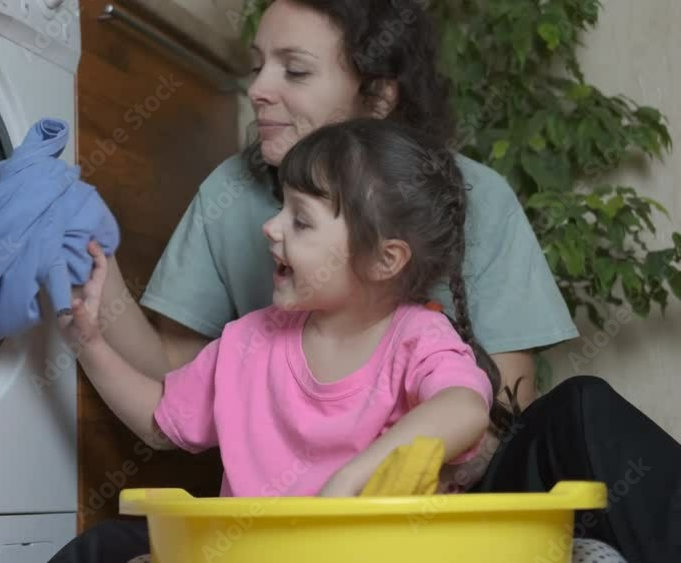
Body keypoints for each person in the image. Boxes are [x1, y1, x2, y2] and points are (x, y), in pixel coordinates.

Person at [50, 1, 680, 562]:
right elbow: (174, 396)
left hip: (436, 503)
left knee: (582, 407)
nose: (259, 90)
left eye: (294, 70)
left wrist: (370, 483)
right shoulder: (240, 259)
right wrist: (95, 321)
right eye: (258, 64)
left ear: (378, 95)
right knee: (112, 544)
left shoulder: (464, 221)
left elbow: (485, 410)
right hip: (276, 524)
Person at [61, 116, 504, 549]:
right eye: (281, 208)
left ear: (384, 260)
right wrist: (88, 344)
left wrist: (349, 481)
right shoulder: (248, 341)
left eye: (301, 220)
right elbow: (162, 422)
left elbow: (464, 407)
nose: (270, 227)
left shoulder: (419, 338)